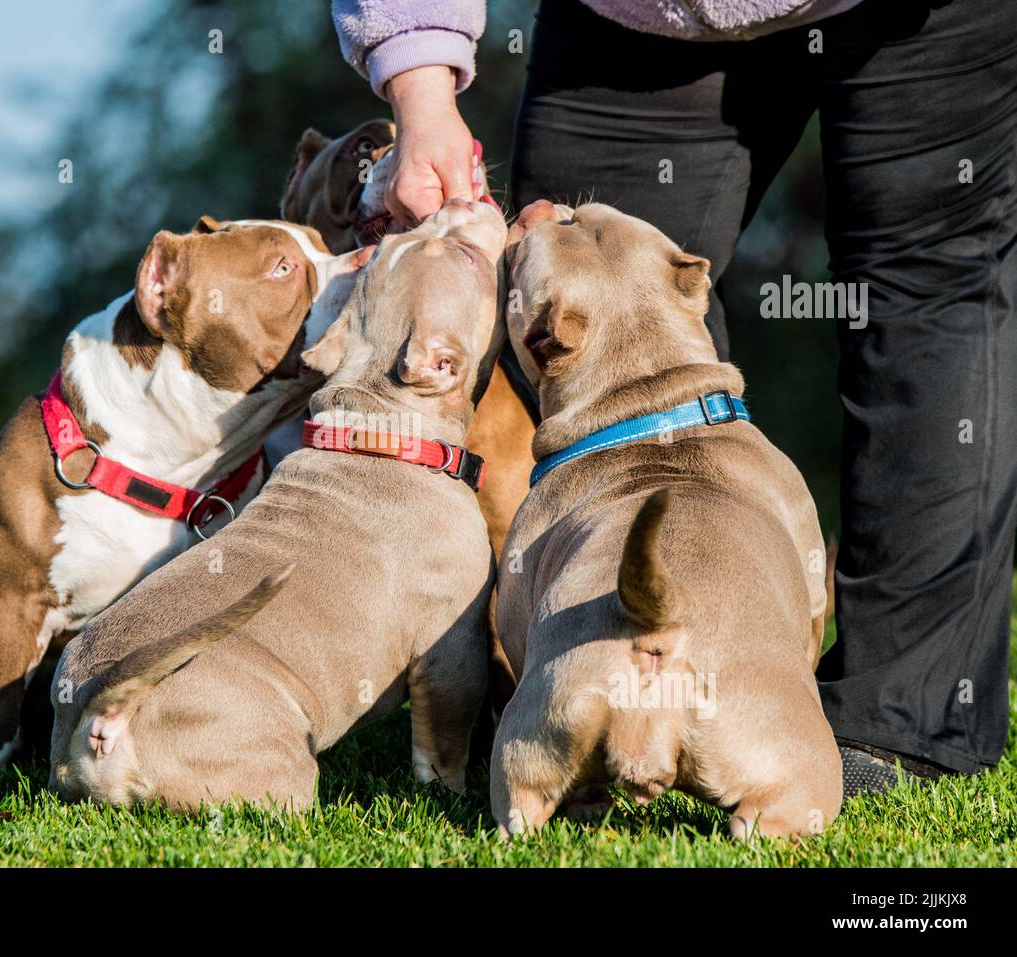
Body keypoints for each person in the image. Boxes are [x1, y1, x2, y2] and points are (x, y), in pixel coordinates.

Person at [333, 0, 1017, 796]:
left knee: (929, 298)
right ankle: (606, 680)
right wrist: (421, 89)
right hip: (638, 19)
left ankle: (900, 723)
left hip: (917, 20)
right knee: (579, 289)